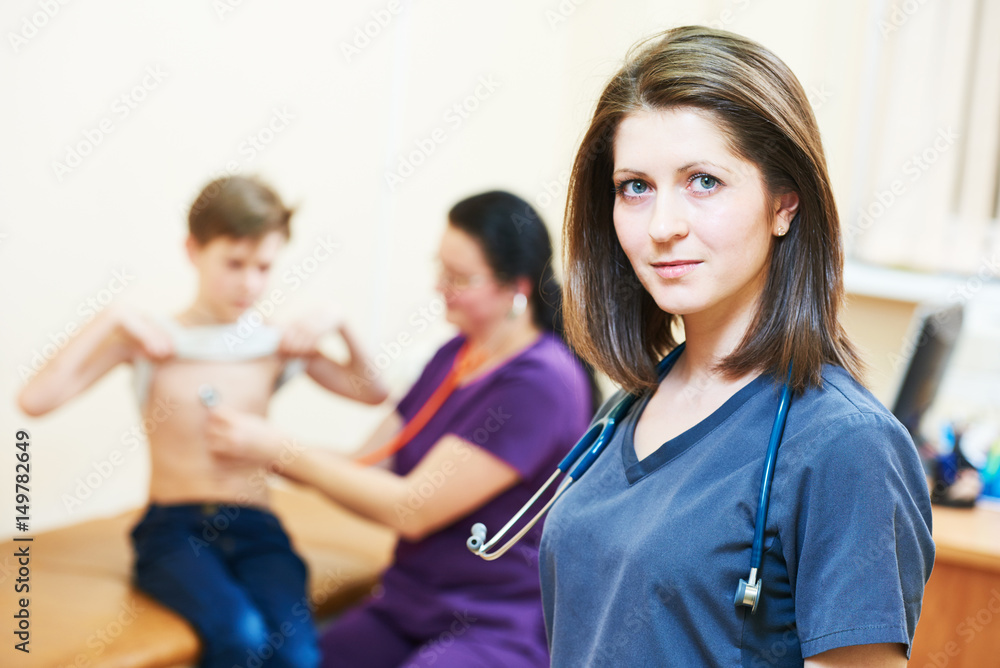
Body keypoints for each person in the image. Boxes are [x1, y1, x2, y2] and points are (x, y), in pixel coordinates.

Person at [538, 26, 935, 667]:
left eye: (703, 181)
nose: (662, 226)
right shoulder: (631, 407)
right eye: (635, 186)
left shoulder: (845, 446)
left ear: (784, 203)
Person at [205, 190, 596, 668]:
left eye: (459, 278)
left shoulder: (541, 384)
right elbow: (367, 462)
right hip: (408, 605)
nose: (439, 287)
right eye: (440, 269)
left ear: (517, 287)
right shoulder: (453, 356)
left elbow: (412, 508)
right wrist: (261, 447)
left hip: (496, 624)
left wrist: (278, 449)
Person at [18, 175, 388, 668]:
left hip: (259, 527)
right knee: (239, 636)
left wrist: (341, 322)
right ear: (193, 249)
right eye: (233, 264)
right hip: (173, 530)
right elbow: (35, 400)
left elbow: (374, 393)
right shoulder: (153, 342)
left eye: (263, 267)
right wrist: (109, 317)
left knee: (297, 654)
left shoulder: (275, 343)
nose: (249, 283)